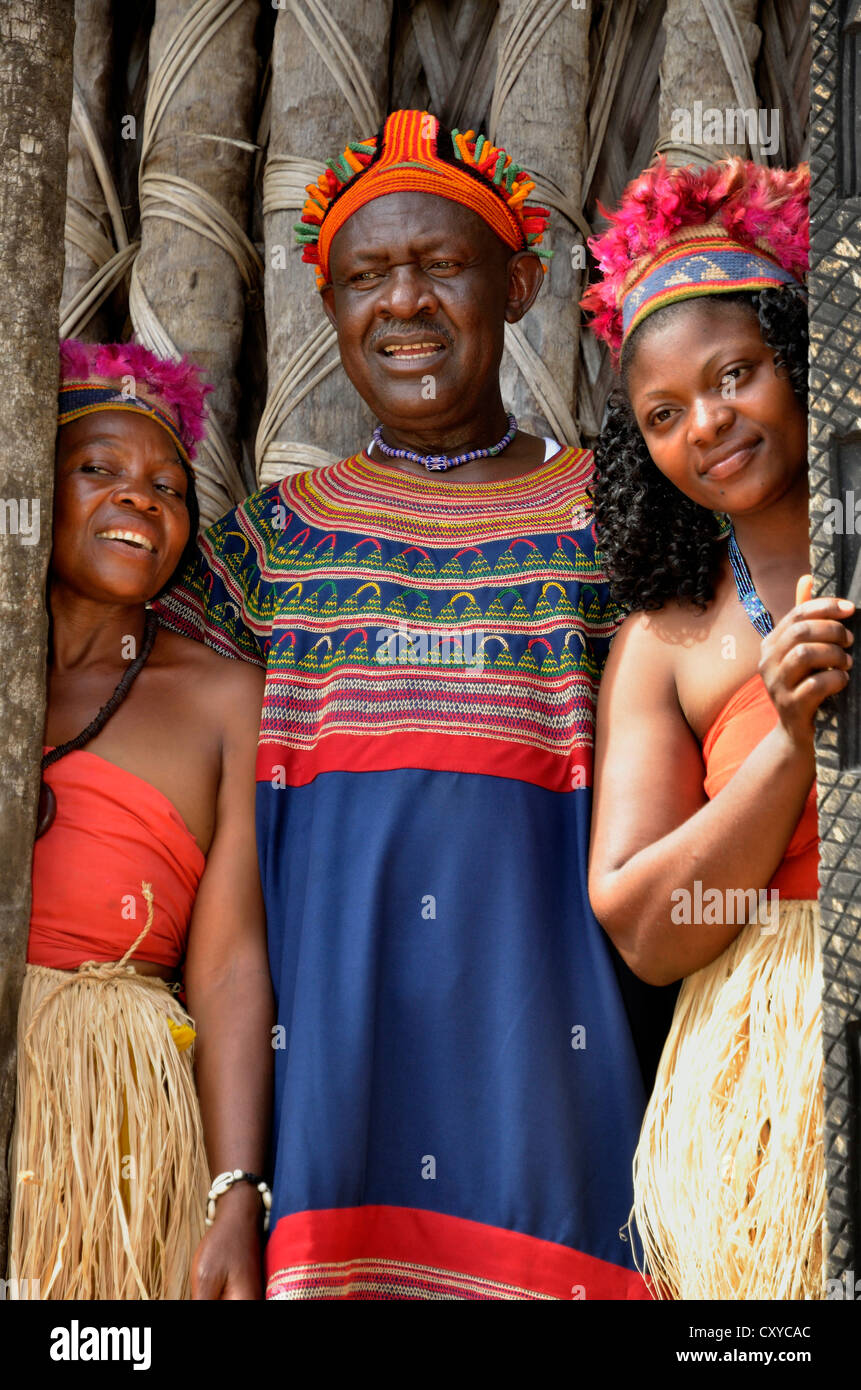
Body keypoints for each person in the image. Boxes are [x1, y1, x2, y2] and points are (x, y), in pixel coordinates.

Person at [153, 109, 668, 1301]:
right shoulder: (269, 547)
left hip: (551, 1063)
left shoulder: (612, 518)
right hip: (331, 1075)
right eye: (367, 277)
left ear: (520, 284)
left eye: (441, 265)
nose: (404, 303)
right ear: (329, 307)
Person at [582, 157, 850, 1299]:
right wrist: (789, 740)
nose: (708, 423)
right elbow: (645, 926)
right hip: (765, 1074)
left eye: (736, 372)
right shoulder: (668, 642)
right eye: (664, 414)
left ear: (803, 356)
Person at [9, 340, 274, 1300]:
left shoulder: (222, 698)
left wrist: (235, 1190)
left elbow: (230, 964)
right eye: (100, 470)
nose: (141, 497)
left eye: (168, 486)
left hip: (112, 1112)